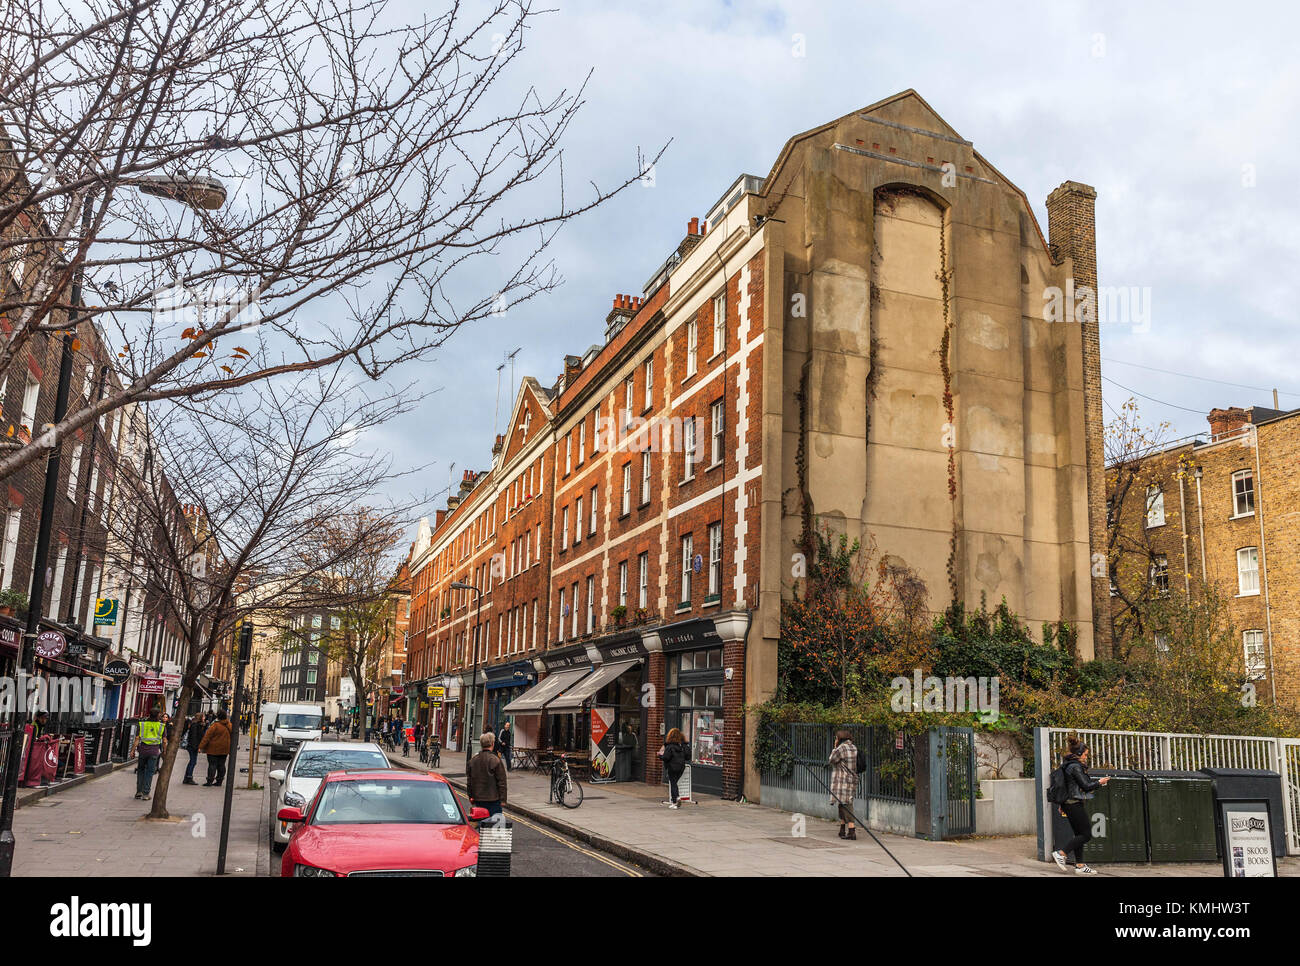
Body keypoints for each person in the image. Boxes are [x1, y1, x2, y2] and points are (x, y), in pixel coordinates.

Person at [1052, 736, 1110, 875]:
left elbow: (1067, 785)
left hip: (1068, 803)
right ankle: (1062, 853)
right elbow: (1086, 786)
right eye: (1085, 754)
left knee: (1079, 834)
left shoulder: (1067, 765)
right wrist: (1100, 782)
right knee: (1086, 834)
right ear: (1078, 754)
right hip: (1073, 803)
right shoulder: (1075, 767)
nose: (1086, 757)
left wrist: (1062, 803)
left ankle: (1080, 865)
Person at [467, 731, 508, 819]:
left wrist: (470, 796)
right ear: (492, 744)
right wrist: (503, 800)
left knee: (480, 824)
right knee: (494, 827)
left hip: (478, 799)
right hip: (493, 800)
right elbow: (502, 782)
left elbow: (469, 781)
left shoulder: (473, 761)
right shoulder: (495, 760)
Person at [828, 729, 859, 840]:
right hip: (852, 779)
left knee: (847, 804)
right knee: (842, 803)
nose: (835, 740)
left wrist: (835, 747)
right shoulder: (853, 747)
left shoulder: (841, 748)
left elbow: (831, 759)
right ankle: (842, 828)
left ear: (839, 739)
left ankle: (851, 831)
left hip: (842, 780)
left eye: (836, 738)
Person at [135, 707, 166, 800]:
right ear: (157, 715)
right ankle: (146, 793)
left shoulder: (142, 724)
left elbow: (137, 738)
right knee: (149, 772)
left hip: (143, 750)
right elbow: (164, 741)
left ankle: (138, 792)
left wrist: (132, 750)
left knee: (140, 770)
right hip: (154, 751)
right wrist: (165, 751)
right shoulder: (161, 726)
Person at [198, 709, 234, 787]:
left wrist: (201, 747)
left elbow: (207, 737)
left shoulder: (215, 725)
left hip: (213, 749)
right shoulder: (230, 725)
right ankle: (219, 780)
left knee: (212, 765)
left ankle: (210, 780)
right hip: (225, 749)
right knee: (221, 764)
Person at [659, 727, 689, 808]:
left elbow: (666, 758)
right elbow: (688, 756)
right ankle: (676, 799)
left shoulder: (669, 746)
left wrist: (660, 755)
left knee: (673, 783)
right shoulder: (682, 746)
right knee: (674, 783)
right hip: (681, 767)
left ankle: (675, 801)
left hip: (672, 767)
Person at [182, 712, 207, 785]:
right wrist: (197, 747)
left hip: (193, 746)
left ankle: (187, 777)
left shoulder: (197, 725)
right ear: (200, 718)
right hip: (193, 746)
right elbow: (194, 737)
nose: (204, 718)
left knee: (192, 761)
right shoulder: (195, 725)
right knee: (193, 762)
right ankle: (189, 777)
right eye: (203, 717)